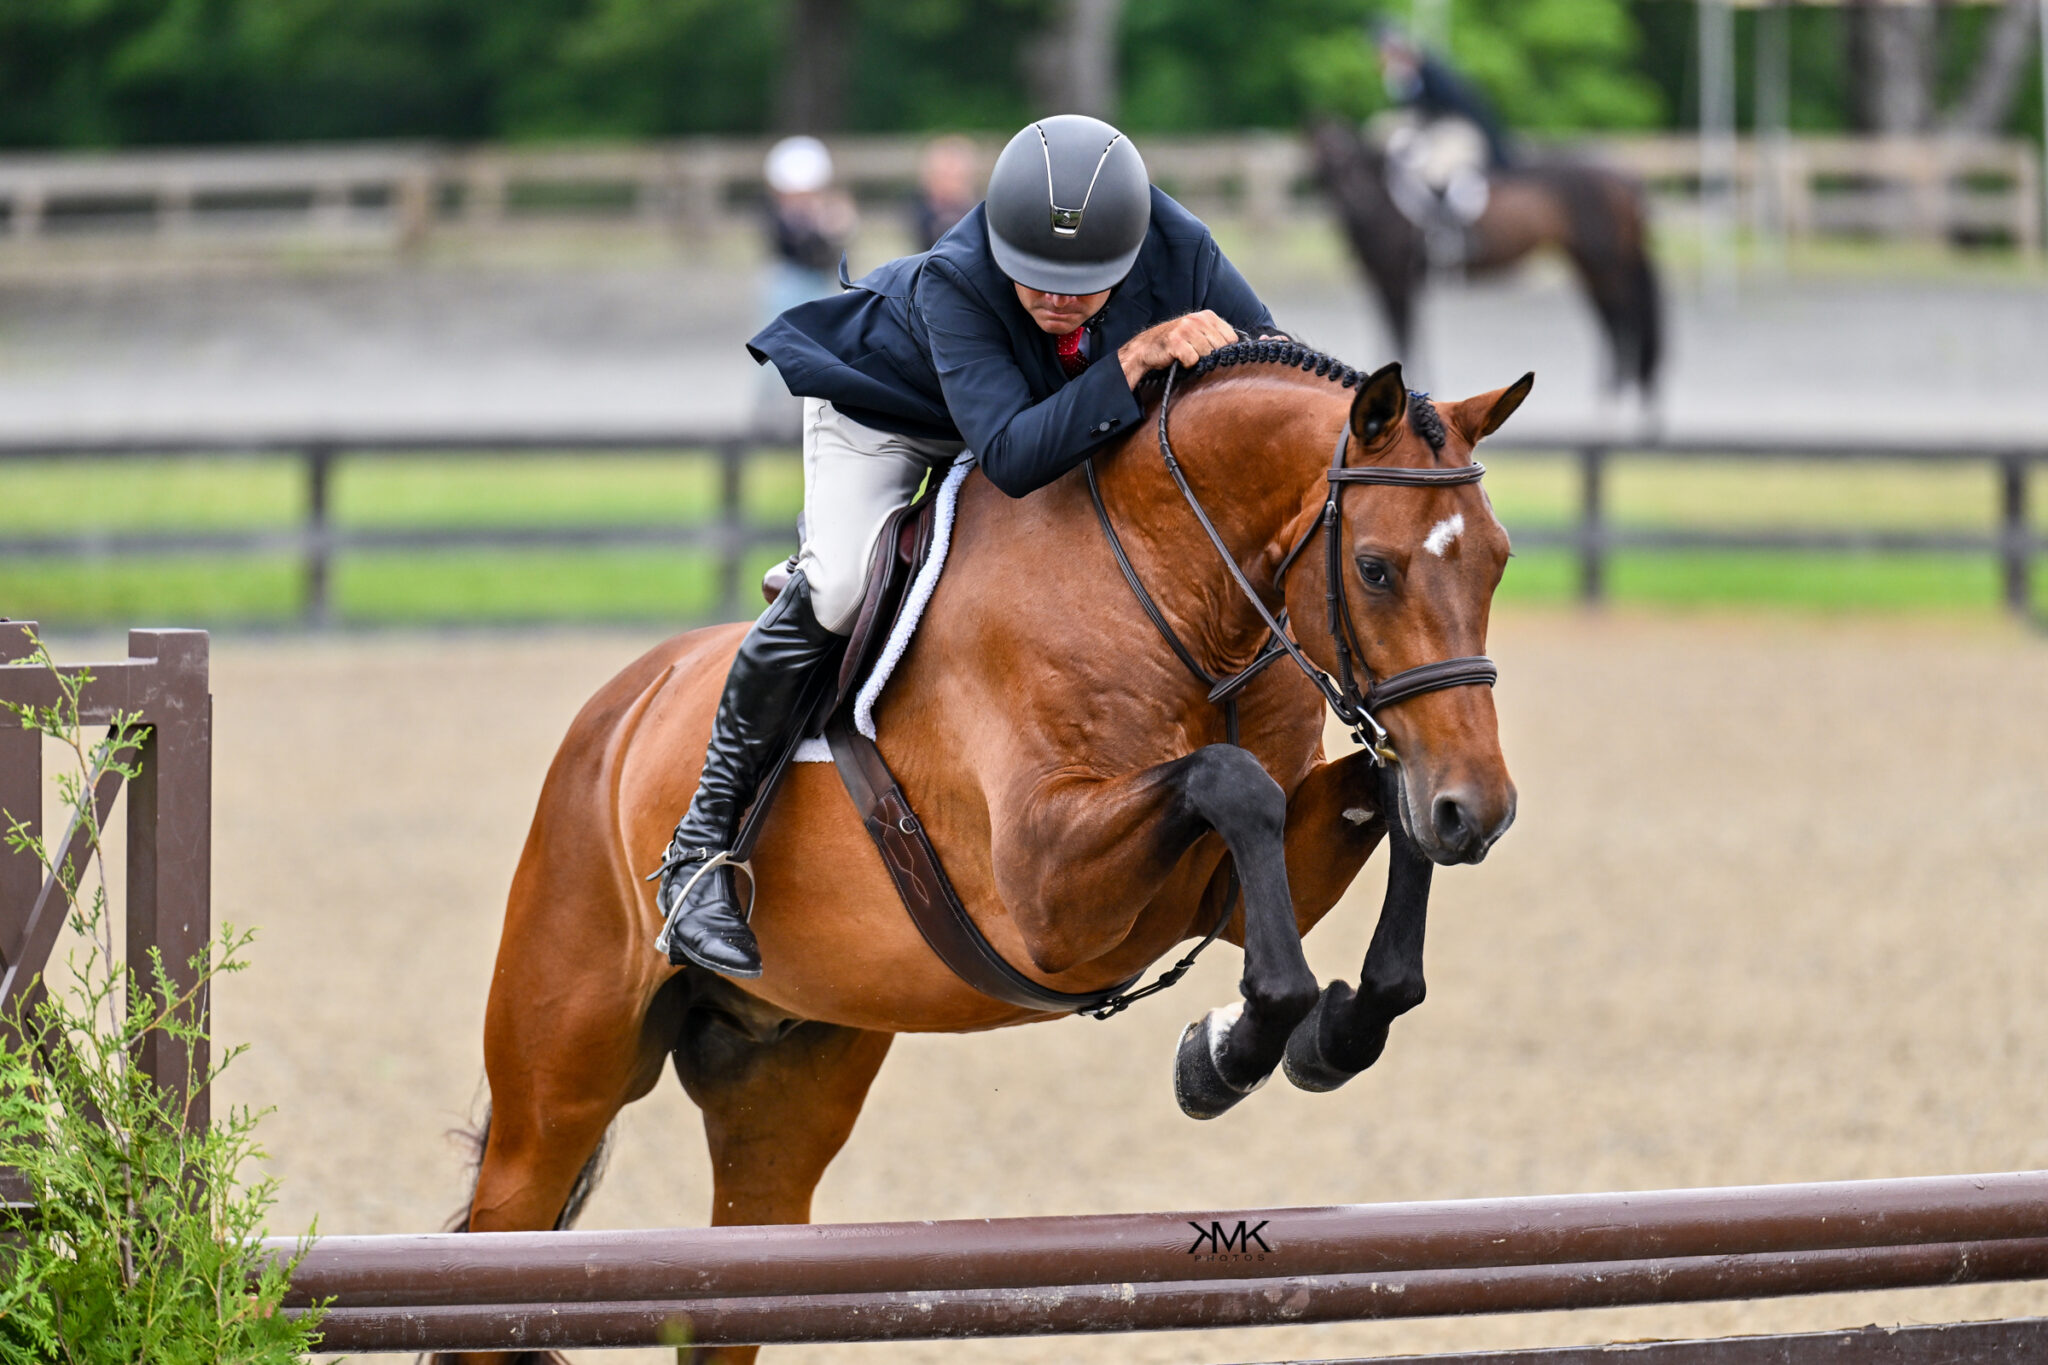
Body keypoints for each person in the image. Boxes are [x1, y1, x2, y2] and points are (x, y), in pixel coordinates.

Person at [652, 113, 1285, 978]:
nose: (1058, 300)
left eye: (1085, 285)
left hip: (1031, 414)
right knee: (839, 586)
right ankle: (698, 849)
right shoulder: (960, 277)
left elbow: (1274, 362)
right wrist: (1135, 353)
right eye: (1037, 280)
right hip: (888, 417)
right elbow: (1017, 457)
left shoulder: (1179, 245)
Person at [911, 134, 980, 252]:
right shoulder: (915, 216)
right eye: (943, 176)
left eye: (956, 177)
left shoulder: (985, 217)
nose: (950, 185)